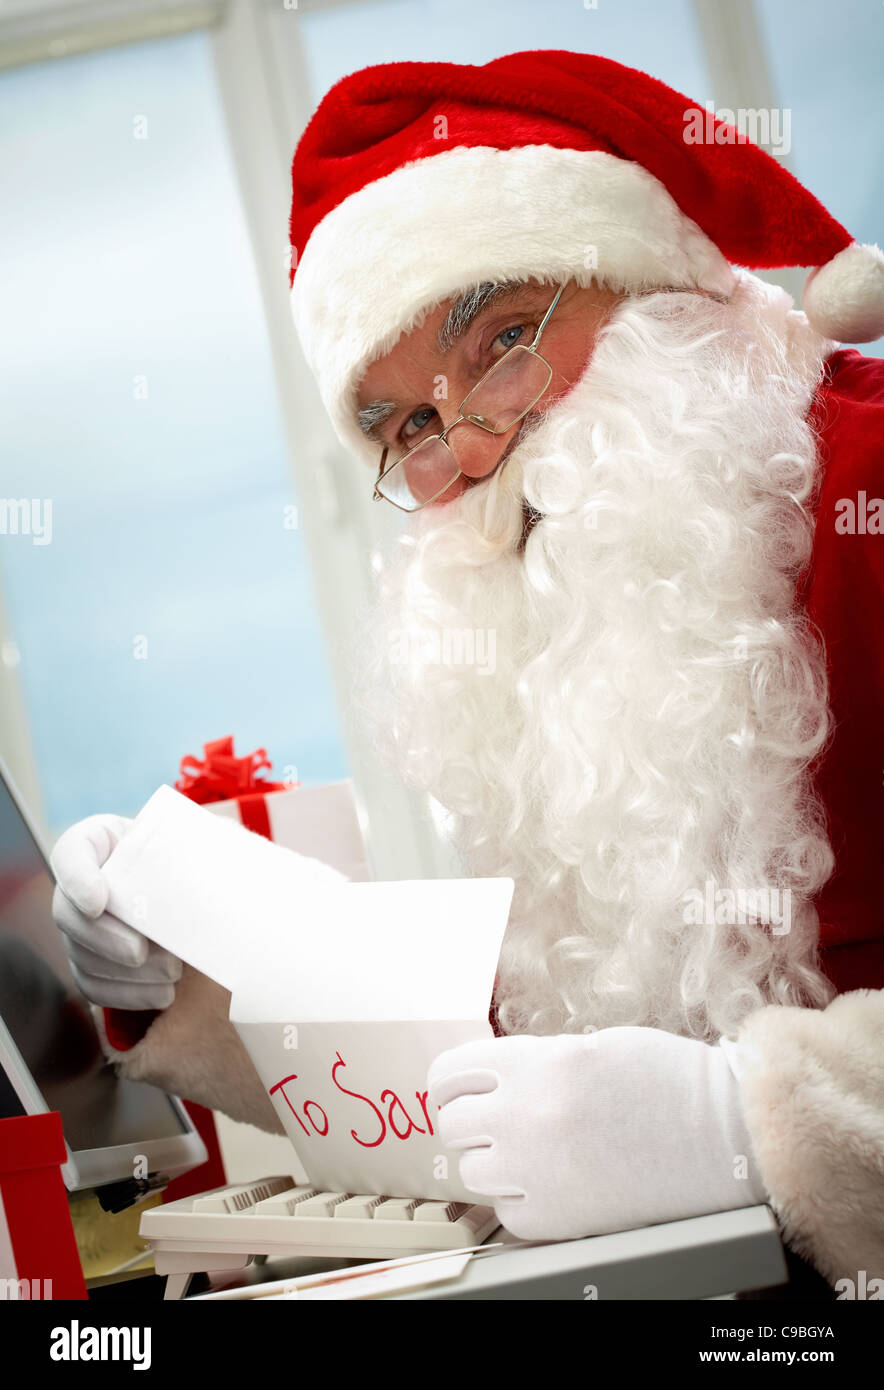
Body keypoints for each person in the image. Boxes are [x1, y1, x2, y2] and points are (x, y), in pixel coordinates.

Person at [50, 51, 884, 1292]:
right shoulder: (560, 610)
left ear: (651, 278)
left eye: (500, 339)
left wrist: (749, 1117)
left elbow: (677, 1119)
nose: (478, 446)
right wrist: (203, 964)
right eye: (410, 428)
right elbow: (550, 1069)